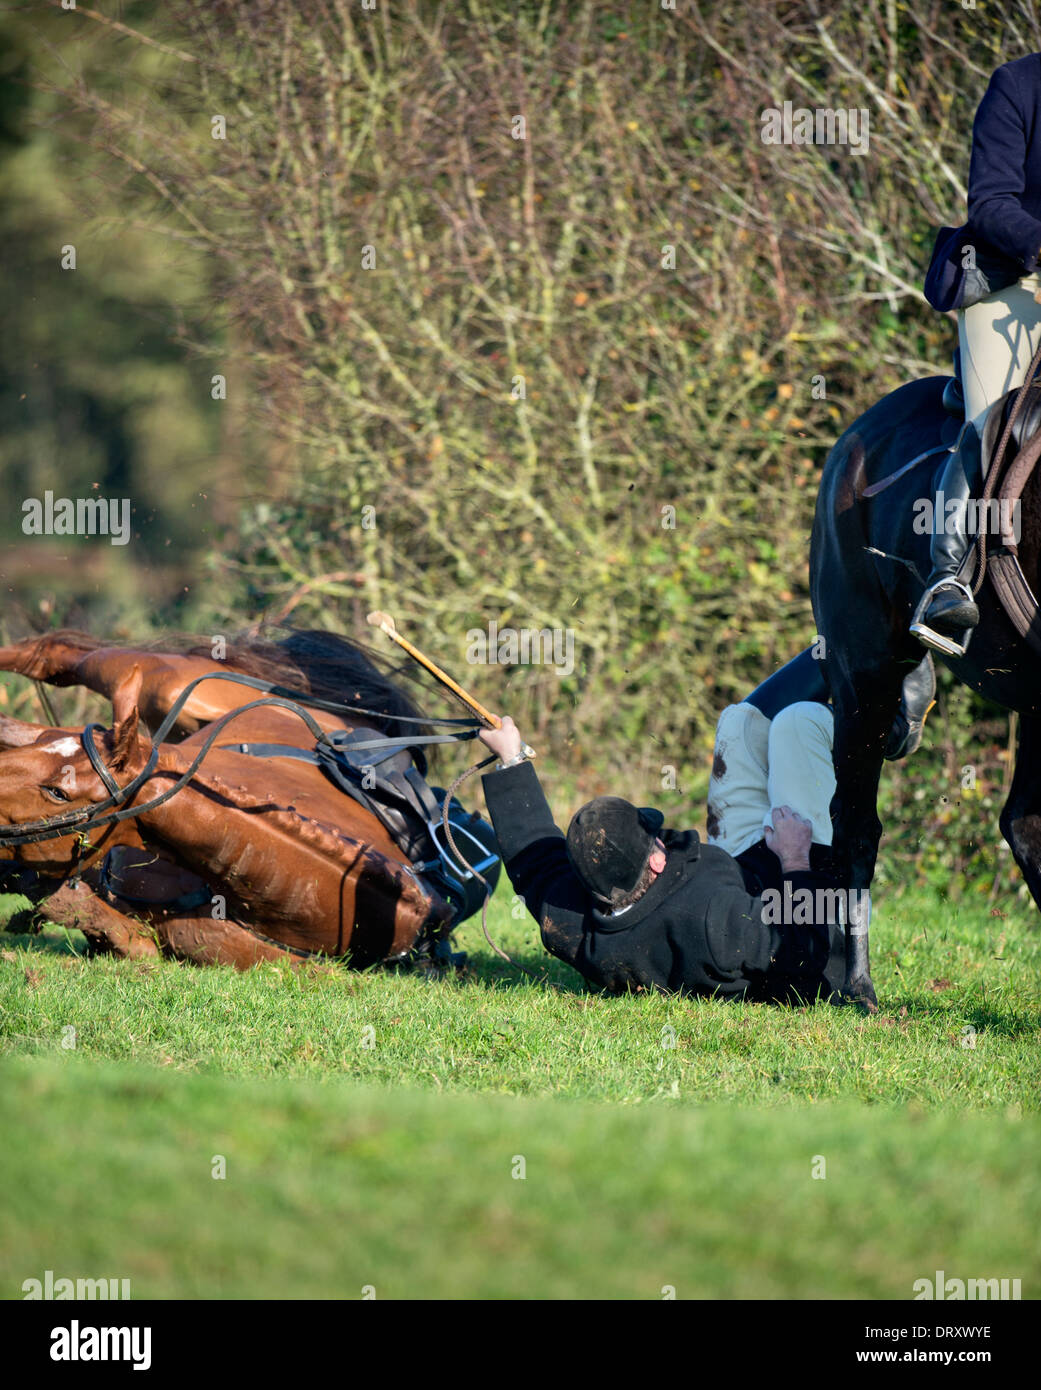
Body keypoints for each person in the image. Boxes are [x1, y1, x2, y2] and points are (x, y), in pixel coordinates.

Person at [915, 52, 1041, 653]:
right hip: (1014, 281)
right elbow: (990, 203)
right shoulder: (1017, 85)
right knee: (991, 418)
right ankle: (949, 578)